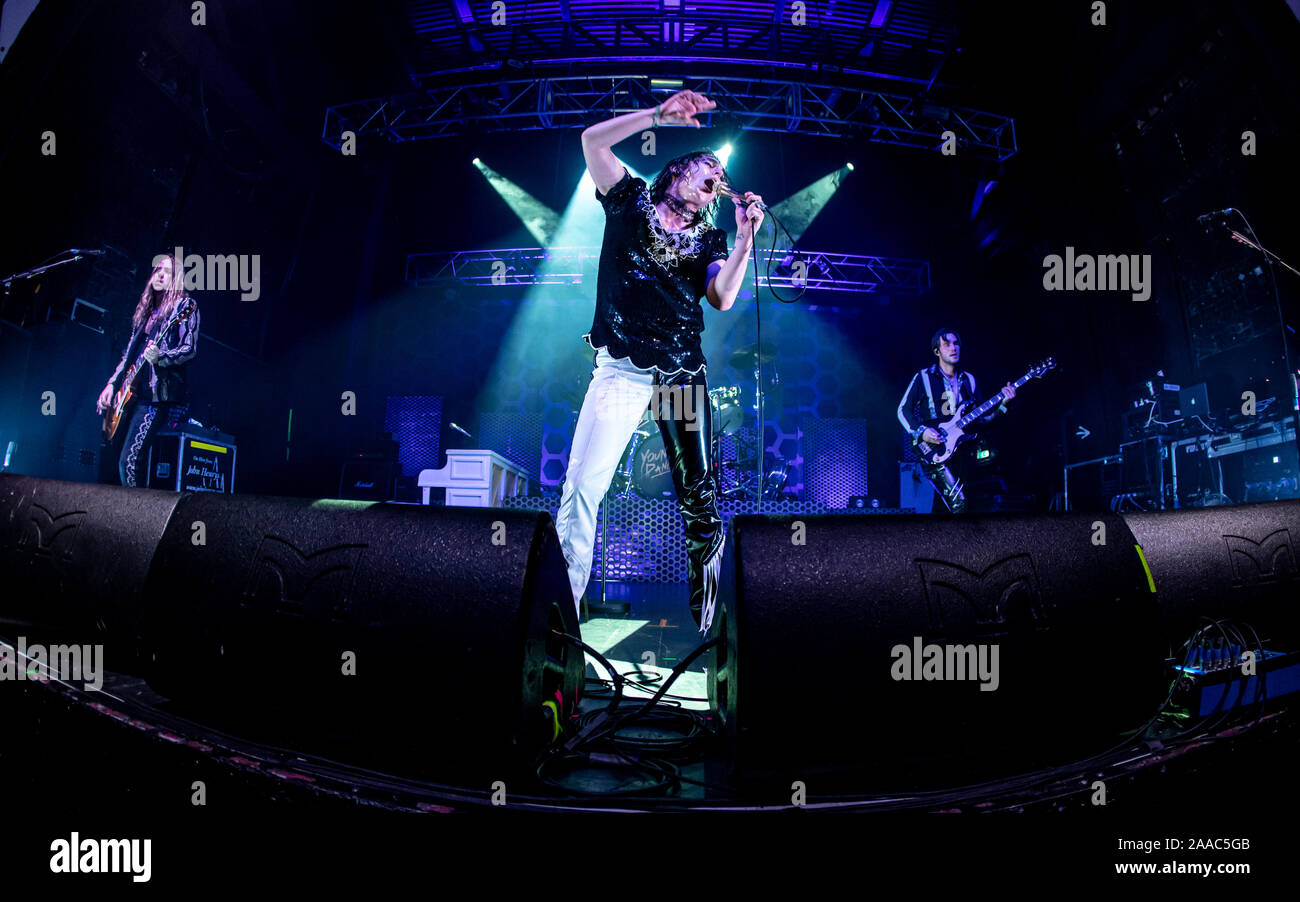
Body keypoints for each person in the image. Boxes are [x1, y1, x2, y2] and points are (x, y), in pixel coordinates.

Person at [556, 89, 764, 633]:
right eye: (706, 164)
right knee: (582, 487)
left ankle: (710, 632)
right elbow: (590, 141)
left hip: (681, 375)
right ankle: (558, 618)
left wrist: (743, 241)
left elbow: (721, 298)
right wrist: (655, 115)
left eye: (721, 170)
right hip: (622, 367)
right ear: (678, 172)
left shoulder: (710, 236)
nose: (716, 172)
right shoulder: (628, 199)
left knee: (699, 500)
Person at [96, 252, 200, 487]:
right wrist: (112, 384)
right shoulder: (147, 312)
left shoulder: (185, 306)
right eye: (157, 270)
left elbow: (189, 349)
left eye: (168, 272)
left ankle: (137, 518)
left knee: (130, 461)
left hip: (154, 397)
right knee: (112, 459)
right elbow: (128, 356)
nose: (160, 275)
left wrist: (161, 357)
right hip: (130, 394)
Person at [896, 329, 1015, 513]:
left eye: (956, 343)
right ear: (937, 351)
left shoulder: (970, 380)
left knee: (959, 507)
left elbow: (983, 419)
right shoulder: (924, 377)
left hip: (963, 453)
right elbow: (903, 410)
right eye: (947, 344)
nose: (953, 348)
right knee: (956, 505)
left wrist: (1003, 405)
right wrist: (922, 432)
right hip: (935, 451)